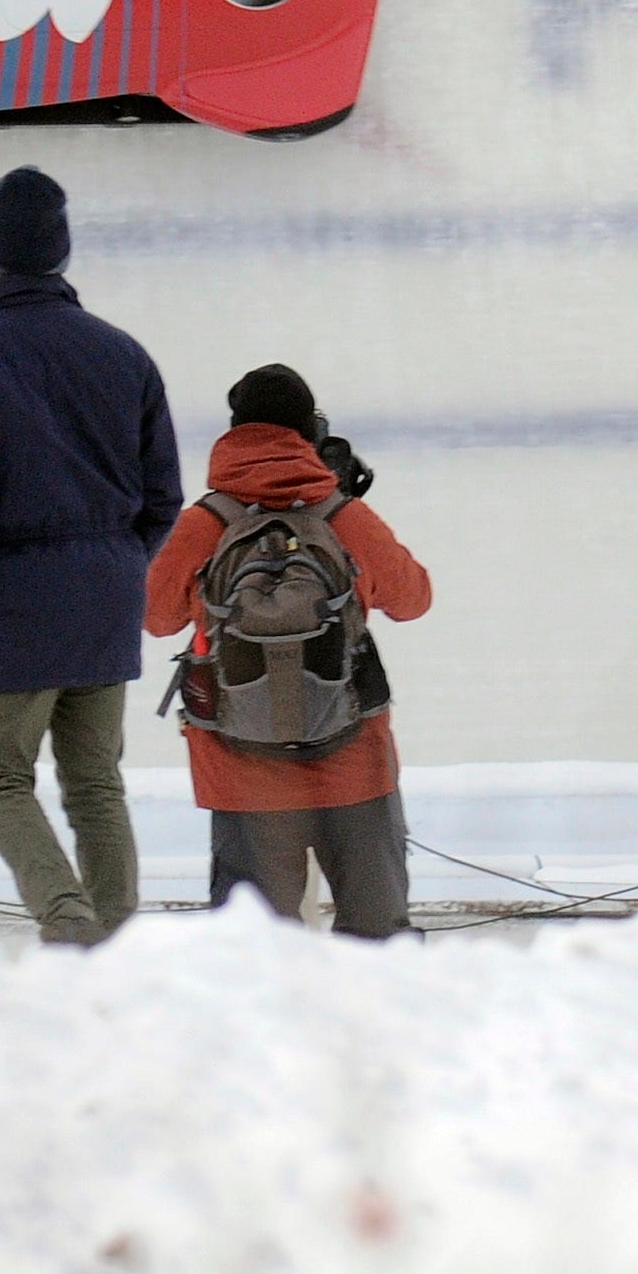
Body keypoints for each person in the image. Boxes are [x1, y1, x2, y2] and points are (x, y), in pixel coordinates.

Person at [0, 167, 181, 947]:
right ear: (60, 250)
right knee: (95, 780)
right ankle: (116, 929)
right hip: (105, 596)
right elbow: (163, 494)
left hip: (7, 597)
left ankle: (67, 920)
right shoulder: (123, 353)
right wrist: (118, 562)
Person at [146, 365, 432, 940]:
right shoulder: (341, 515)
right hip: (352, 756)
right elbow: (413, 598)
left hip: (240, 761)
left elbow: (154, 617)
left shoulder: (207, 521)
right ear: (308, 432)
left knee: (254, 948)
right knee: (377, 939)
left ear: (235, 433)